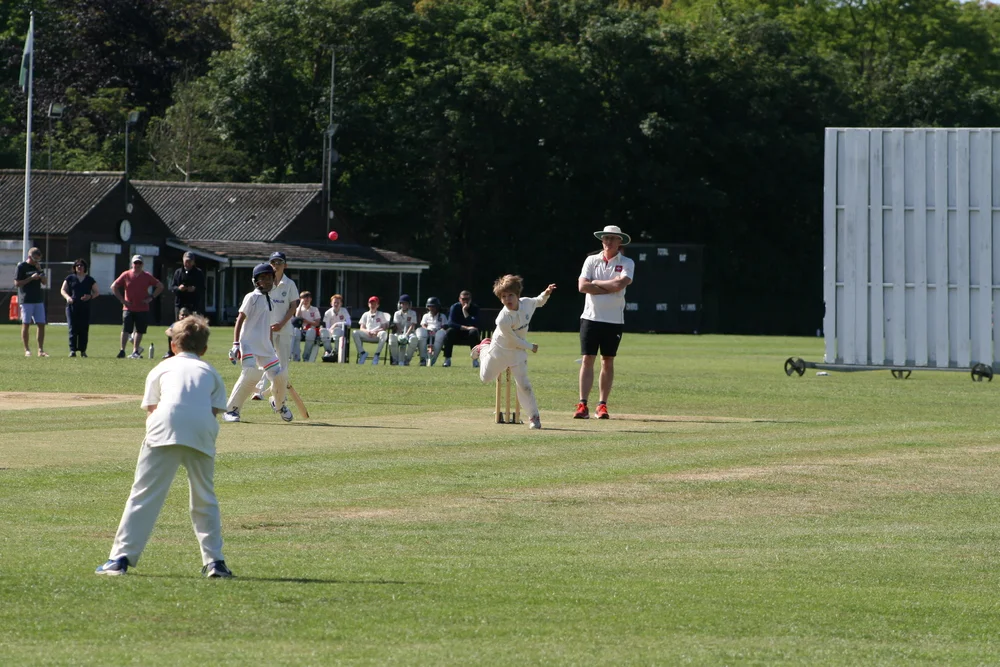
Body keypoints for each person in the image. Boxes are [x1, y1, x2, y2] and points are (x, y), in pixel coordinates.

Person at [95, 314, 233, 578]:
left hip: (163, 425)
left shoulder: (160, 368)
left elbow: (151, 409)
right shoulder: (211, 371)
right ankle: (215, 562)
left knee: (144, 494)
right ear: (203, 349)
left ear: (173, 346)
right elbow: (213, 410)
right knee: (205, 497)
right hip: (201, 429)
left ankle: (119, 559)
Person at [472, 275, 556, 429]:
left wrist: (546, 293)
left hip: (517, 353)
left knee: (524, 384)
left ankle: (534, 417)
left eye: (510, 295)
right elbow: (513, 341)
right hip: (500, 350)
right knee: (485, 378)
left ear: (517, 295)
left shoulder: (527, 303)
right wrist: (530, 346)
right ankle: (483, 348)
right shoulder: (503, 319)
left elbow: (539, 301)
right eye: (503, 297)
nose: (507, 299)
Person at [575, 225, 635, 420]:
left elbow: (620, 284)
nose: (608, 241)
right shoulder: (591, 260)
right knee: (587, 359)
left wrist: (597, 283)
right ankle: (582, 404)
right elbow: (582, 286)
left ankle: (602, 405)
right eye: (605, 238)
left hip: (613, 320)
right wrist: (608, 286)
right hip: (590, 317)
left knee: (607, 361)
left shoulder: (627, 262)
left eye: (612, 238)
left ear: (620, 241)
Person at [223, 263, 292, 423]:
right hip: (248, 343)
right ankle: (232, 410)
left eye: (269, 278)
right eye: (263, 279)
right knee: (250, 375)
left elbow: (267, 325)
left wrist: (271, 346)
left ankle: (279, 404)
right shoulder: (251, 297)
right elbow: (240, 319)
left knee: (280, 376)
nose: (267, 282)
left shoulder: (271, 301)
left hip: (265, 346)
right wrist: (235, 344)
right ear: (256, 281)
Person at [252, 252, 298, 403]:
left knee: (282, 363)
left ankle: (279, 393)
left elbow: (293, 307)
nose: (276, 265)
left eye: (279, 262)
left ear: (285, 265)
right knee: (266, 360)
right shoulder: (266, 283)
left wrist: (281, 324)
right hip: (267, 329)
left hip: (284, 329)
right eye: (273, 262)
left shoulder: (290, 284)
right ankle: (259, 390)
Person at [111, 255, 165, 359]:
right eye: (135, 263)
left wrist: (151, 297)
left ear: (142, 264)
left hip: (142, 308)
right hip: (128, 308)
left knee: (139, 330)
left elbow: (160, 286)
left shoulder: (147, 276)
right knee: (126, 329)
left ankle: (135, 351)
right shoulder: (126, 275)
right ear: (132, 264)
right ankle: (122, 350)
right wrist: (122, 300)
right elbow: (114, 286)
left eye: (139, 263)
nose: (137, 265)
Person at [165, 252, 206, 358]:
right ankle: (171, 350)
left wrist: (194, 289)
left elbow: (203, 289)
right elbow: (173, 288)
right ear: (183, 260)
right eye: (186, 260)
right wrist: (179, 289)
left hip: (193, 305)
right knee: (176, 327)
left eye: (190, 261)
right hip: (180, 305)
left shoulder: (198, 273)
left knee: (192, 329)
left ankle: (193, 351)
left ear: (193, 262)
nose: (188, 263)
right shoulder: (178, 272)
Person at [60, 258, 99, 357]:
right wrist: (68, 297)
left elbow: (97, 292)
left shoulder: (89, 280)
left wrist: (90, 296)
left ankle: (83, 350)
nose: (79, 267)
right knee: (72, 327)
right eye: (77, 265)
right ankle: (72, 350)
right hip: (72, 306)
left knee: (83, 328)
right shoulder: (70, 278)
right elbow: (63, 290)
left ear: (85, 267)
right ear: (74, 267)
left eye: (81, 265)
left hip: (84, 307)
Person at [13, 247, 49, 357]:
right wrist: (31, 278)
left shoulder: (38, 266)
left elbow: (44, 282)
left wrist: (40, 271)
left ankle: (41, 350)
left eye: (38, 259)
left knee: (41, 324)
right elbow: (17, 283)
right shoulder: (21, 267)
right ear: (30, 257)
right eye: (35, 259)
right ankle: (27, 349)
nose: (36, 262)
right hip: (26, 300)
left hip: (38, 299)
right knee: (26, 324)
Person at [443, 289, 482, 368]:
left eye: (467, 299)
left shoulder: (475, 308)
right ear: (459, 299)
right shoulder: (454, 307)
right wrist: (465, 327)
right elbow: (450, 323)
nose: (465, 301)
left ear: (470, 299)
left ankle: (475, 360)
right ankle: (447, 359)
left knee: (473, 332)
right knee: (449, 331)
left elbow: (474, 323)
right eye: (463, 299)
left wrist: (464, 311)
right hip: (457, 332)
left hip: (469, 335)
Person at [352, 296, 390, 365]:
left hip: (377, 335)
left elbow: (384, 327)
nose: (372, 305)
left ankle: (376, 355)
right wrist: (368, 332)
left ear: (378, 305)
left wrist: (376, 331)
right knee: (355, 333)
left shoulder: (381, 314)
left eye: (374, 304)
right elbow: (362, 328)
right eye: (371, 303)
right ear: (368, 304)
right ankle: (362, 353)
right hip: (367, 334)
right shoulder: (365, 314)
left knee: (384, 333)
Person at [417, 296, 448, 366]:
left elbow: (444, 326)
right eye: (430, 306)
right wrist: (427, 330)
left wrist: (437, 331)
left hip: (438, 333)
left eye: (433, 307)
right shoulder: (426, 316)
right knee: (421, 332)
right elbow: (423, 325)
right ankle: (423, 359)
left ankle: (433, 359)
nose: (432, 308)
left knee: (440, 334)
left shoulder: (442, 316)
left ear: (437, 307)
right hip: (427, 332)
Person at [389, 294, 419, 365]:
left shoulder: (413, 313)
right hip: (399, 332)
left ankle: (406, 360)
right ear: (399, 304)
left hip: (410, 333)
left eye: (405, 303)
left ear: (409, 304)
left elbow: (412, 325)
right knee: (392, 338)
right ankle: (395, 360)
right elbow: (397, 325)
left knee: (414, 339)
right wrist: (402, 334)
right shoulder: (397, 313)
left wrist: (406, 335)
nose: (404, 305)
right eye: (402, 303)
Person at [320, 293, 351, 360]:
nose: (336, 304)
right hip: (331, 331)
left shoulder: (344, 311)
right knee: (323, 331)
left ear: (341, 304)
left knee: (337, 330)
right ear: (331, 303)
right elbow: (327, 326)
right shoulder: (328, 312)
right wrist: (330, 330)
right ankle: (329, 351)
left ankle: (336, 352)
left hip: (341, 332)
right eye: (334, 302)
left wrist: (337, 324)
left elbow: (349, 323)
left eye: (338, 302)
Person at [293, 291, 322, 361]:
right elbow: (297, 316)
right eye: (304, 300)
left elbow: (317, 323)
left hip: (311, 330)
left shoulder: (314, 309)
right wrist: (300, 304)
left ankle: (306, 357)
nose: (306, 302)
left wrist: (307, 321)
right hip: (301, 330)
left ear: (310, 299)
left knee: (310, 332)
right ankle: (296, 357)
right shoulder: (299, 309)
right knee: (295, 332)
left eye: (307, 300)